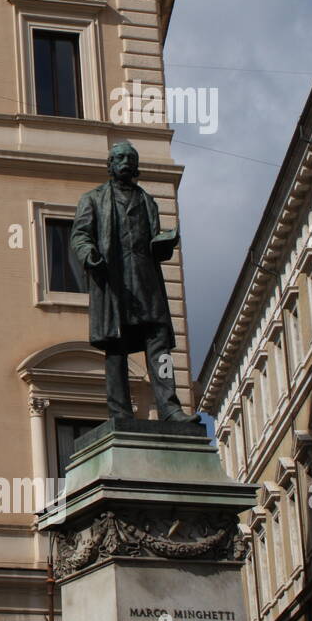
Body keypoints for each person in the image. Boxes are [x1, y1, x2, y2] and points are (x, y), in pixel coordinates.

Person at [70, 140, 200, 422]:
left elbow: (152, 242)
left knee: (160, 347)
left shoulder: (147, 201)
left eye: (130, 157)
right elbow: (80, 235)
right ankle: (120, 413)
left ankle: (170, 407)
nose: (125, 162)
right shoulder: (92, 199)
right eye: (119, 158)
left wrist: (163, 244)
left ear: (136, 165)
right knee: (116, 350)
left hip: (146, 283)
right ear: (110, 165)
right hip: (113, 284)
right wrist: (89, 254)